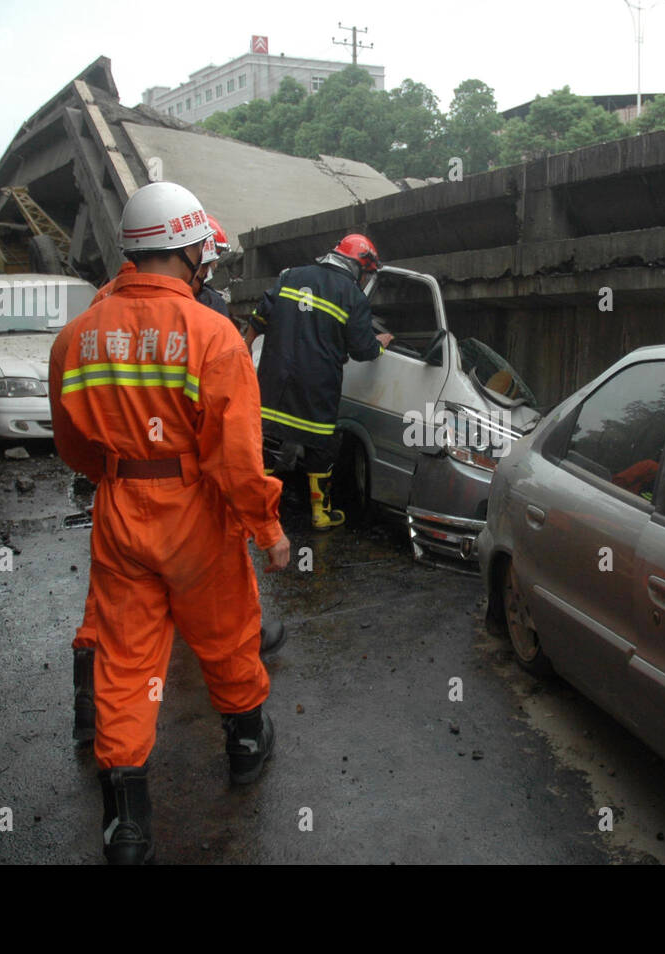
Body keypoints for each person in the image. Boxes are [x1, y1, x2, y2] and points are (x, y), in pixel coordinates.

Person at [49, 181, 289, 864]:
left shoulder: (77, 336)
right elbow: (237, 459)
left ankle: (125, 826)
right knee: (226, 636)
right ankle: (245, 746)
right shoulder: (215, 337)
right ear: (189, 250)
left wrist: (116, 476)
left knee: (124, 665)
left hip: (120, 511)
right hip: (197, 516)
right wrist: (268, 530)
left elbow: (70, 443)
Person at [245, 234, 392, 530]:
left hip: (276, 382)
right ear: (360, 267)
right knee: (320, 448)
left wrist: (246, 346)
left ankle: (258, 511)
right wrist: (382, 343)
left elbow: (261, 315)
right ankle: (320, 514)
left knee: (269, 442)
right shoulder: (353, 297)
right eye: (367, 274)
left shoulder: (291, 276)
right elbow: (362, 349)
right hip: (318, 389)